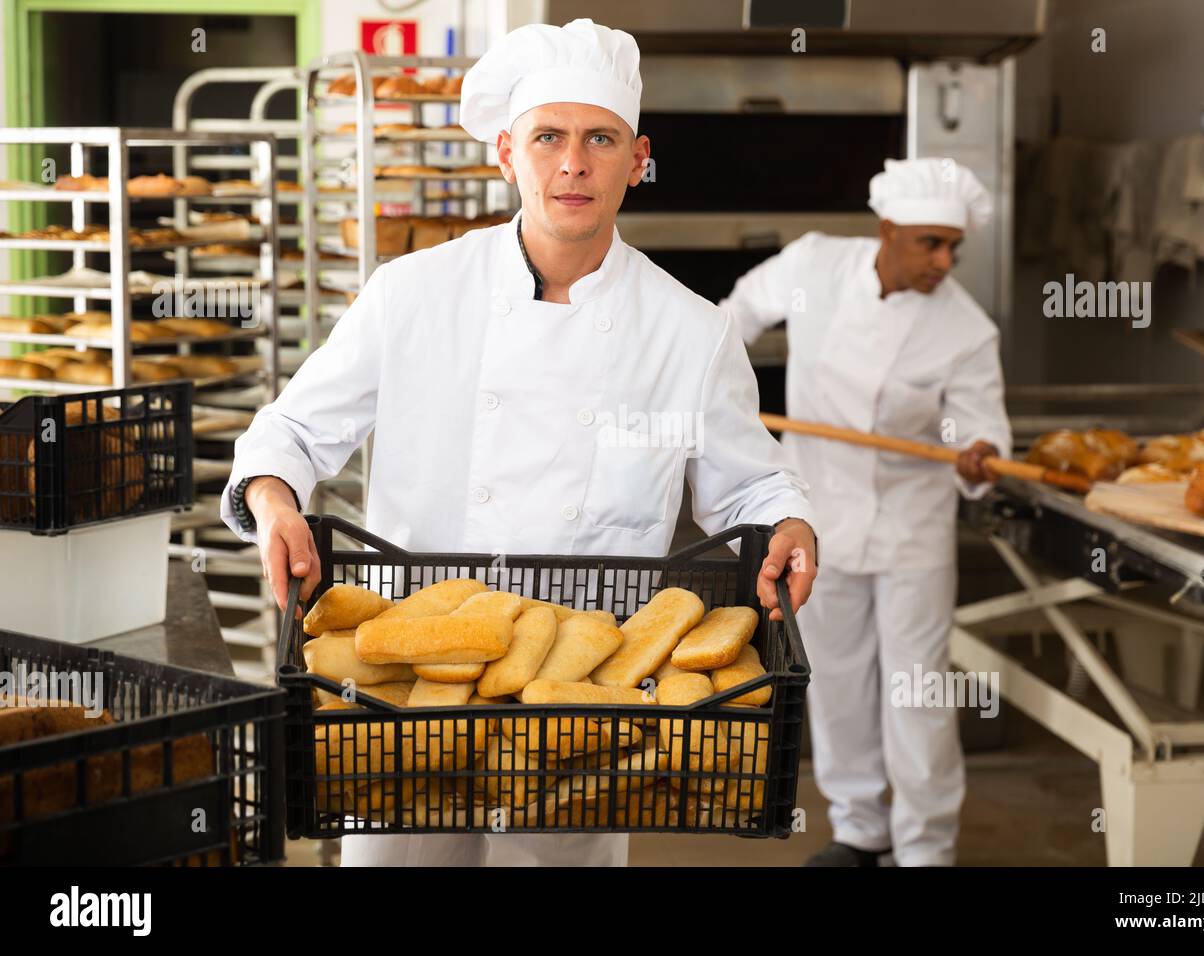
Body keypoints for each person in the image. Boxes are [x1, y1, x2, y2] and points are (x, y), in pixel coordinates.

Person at [220, 18, 818, 867]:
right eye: (549, 137)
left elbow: (752, 488)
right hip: (408, 687)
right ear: (507, 152)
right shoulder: (414, 295)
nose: (573, 163)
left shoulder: (691, 331)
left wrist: (788, 523)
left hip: (588, 696)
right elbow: (290, 432)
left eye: (600, 139)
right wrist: (275, 500)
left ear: (638, 158)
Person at [719, 158, 1012, 867]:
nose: (945, 261)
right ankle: (859, 831)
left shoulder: (966, 330)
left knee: (917, 693)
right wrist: (722, 399)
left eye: (953, 247)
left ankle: (924, 848)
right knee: (839, 680)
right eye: (930, 244)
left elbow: (983, 429)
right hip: (815, 514)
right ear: (888, 230)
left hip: (911, 529)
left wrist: (976, 452)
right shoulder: (816, 264)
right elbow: (730, 319)